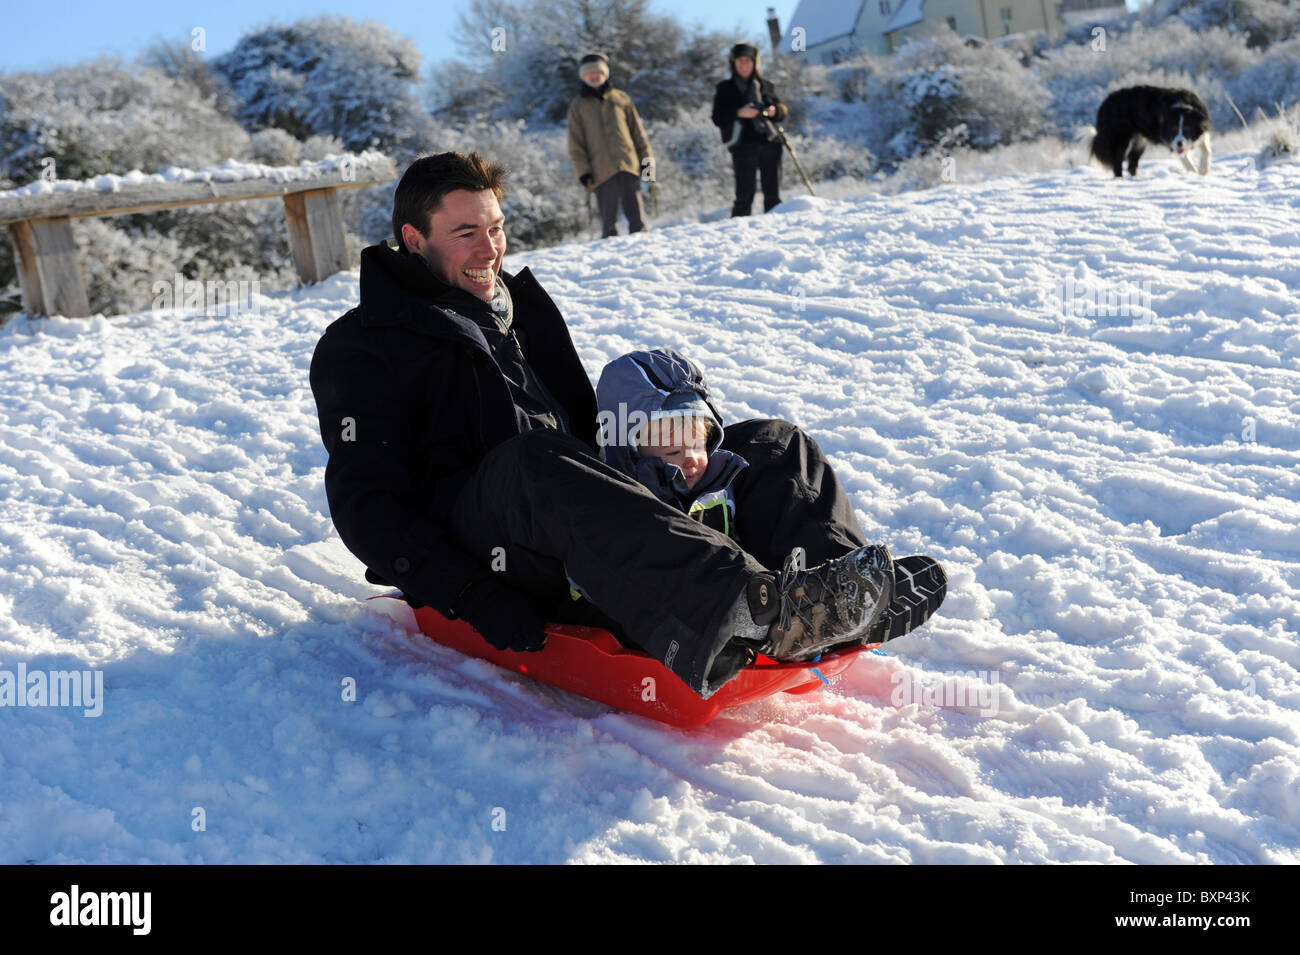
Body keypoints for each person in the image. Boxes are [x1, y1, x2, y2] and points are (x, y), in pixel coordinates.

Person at [310, 151, 910, 700]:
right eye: (465, 234)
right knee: (533, 459)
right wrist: (469, 594)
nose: (489, 249)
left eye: (495, 228)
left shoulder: (518, 308)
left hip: (565, 502)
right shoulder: (364, 346)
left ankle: (843, 591)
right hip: (486, 545)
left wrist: (658, 444)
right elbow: (366, 506)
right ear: (414, 240)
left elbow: (581, 427)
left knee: (768, 443)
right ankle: (748, 608)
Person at [566, 52, 653, 238]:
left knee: (637, 220)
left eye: (598, 72)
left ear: (605, 74)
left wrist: (648, 163)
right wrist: (584, 172)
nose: (594, 76)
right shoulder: (578, 106)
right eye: (589, 73)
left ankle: (644, 253)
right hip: (601, 171)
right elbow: (575, 144)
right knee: (608, 224)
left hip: (629, 165)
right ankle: (612, 261)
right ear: (583, 77)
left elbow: (639, 134)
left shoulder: (622, 99)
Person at [711, 42, 788, 217]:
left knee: (773, 195)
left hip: (770, 142)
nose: (744, 65)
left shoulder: (766, 85)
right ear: (733, 63)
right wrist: (739, 113)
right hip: (742, 145)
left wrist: (774, 111)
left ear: (754, 63)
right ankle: (738, 233)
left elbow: (782, 110)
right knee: (744, 196)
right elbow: (717, 118)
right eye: (740, 61)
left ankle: (777, 229)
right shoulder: (725, 89)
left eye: (748, 61)